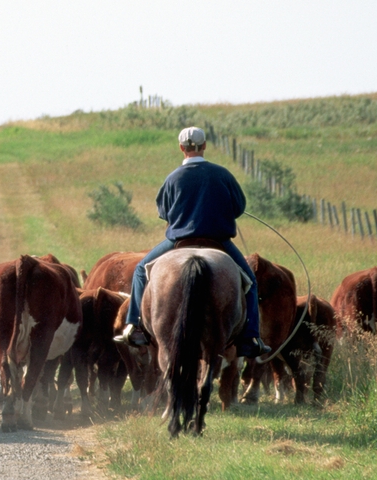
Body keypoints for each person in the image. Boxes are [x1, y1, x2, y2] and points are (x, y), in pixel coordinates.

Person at [114, 126, 270, 358]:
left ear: (181, 147)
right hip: (218, 241)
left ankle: (134, 326)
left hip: (179, 241)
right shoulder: (222, 174)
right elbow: (238, 207)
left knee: (139, 270)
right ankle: (250, 337)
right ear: (204, 145)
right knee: (251, 282)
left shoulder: (173, 177)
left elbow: (164, 213)